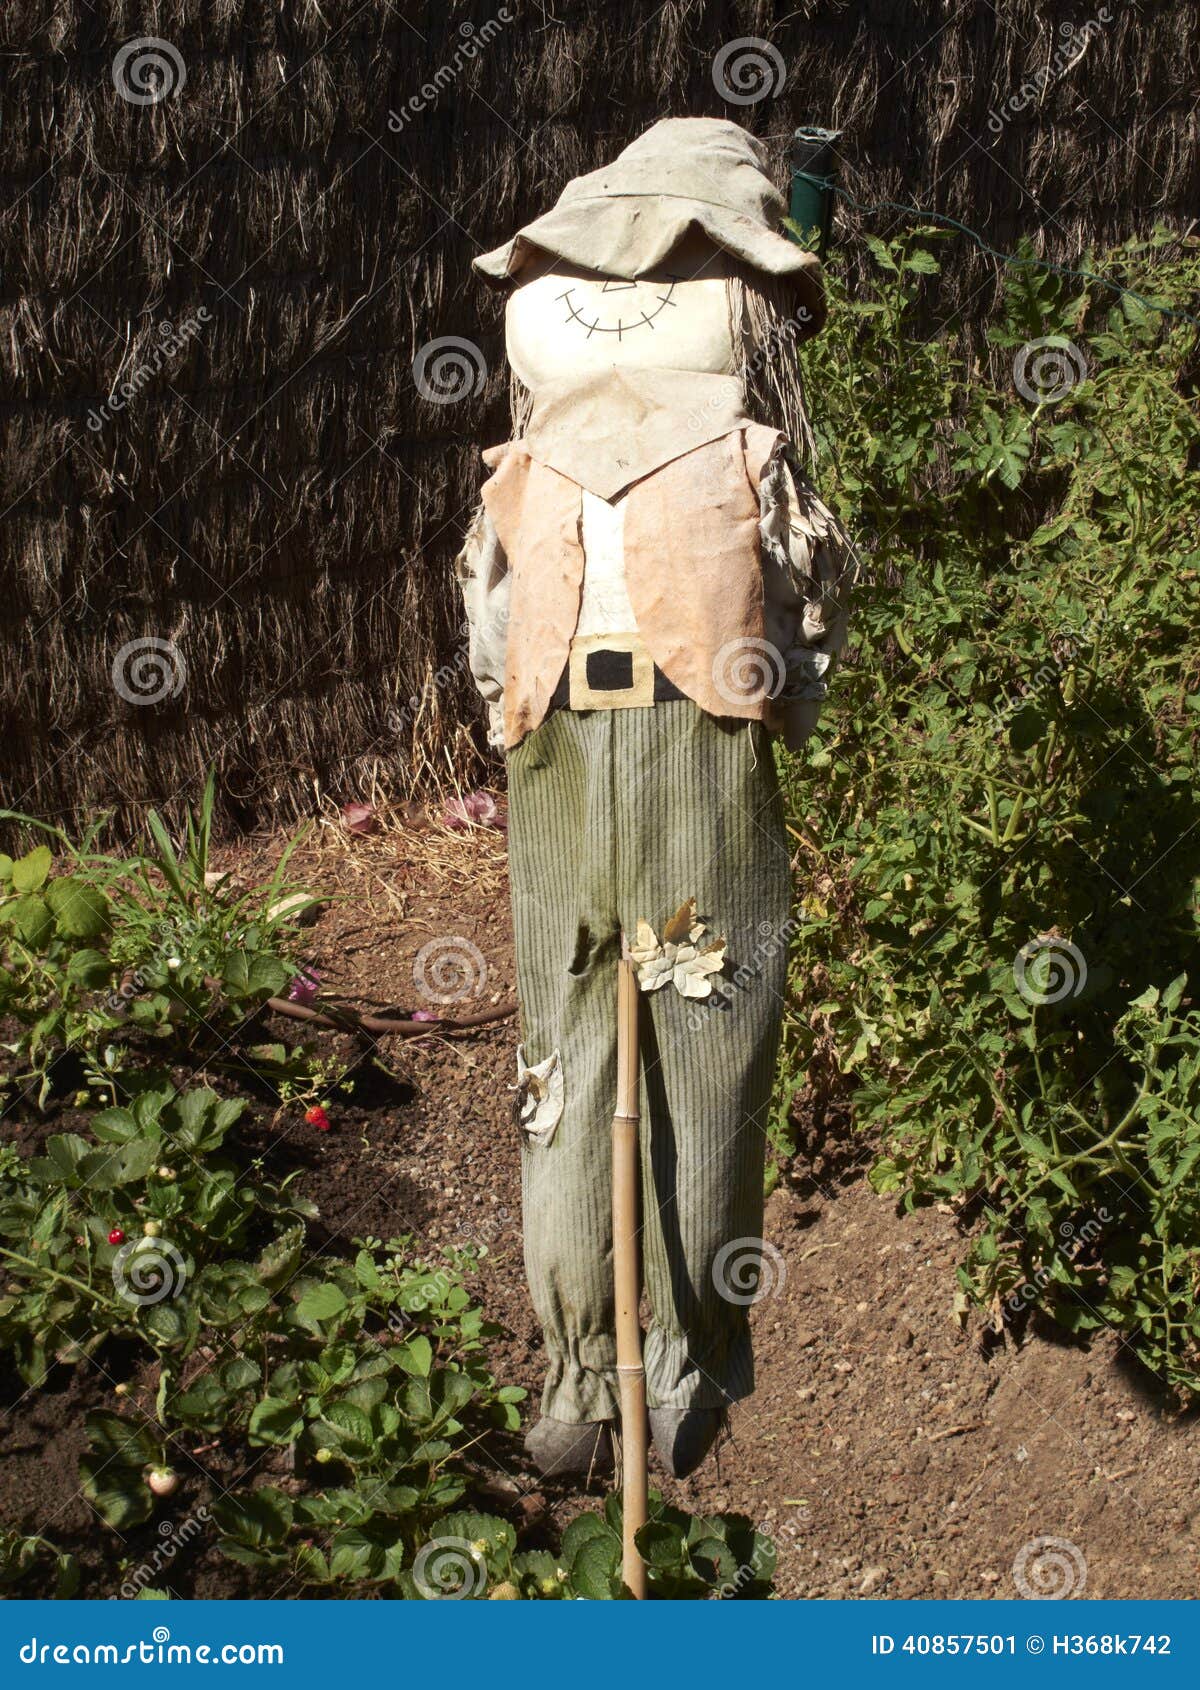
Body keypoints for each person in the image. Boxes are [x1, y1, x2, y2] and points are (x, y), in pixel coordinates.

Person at [455, 117, 854, 1479]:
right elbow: (801, 574)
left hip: (656, 725)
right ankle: (593, 1361)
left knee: (694, 1028)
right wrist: (798, 681)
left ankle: (669, 1358)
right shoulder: (646, 374)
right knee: (590, 1041)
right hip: (596, 728)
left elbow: (487, 599)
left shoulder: (575, 347)